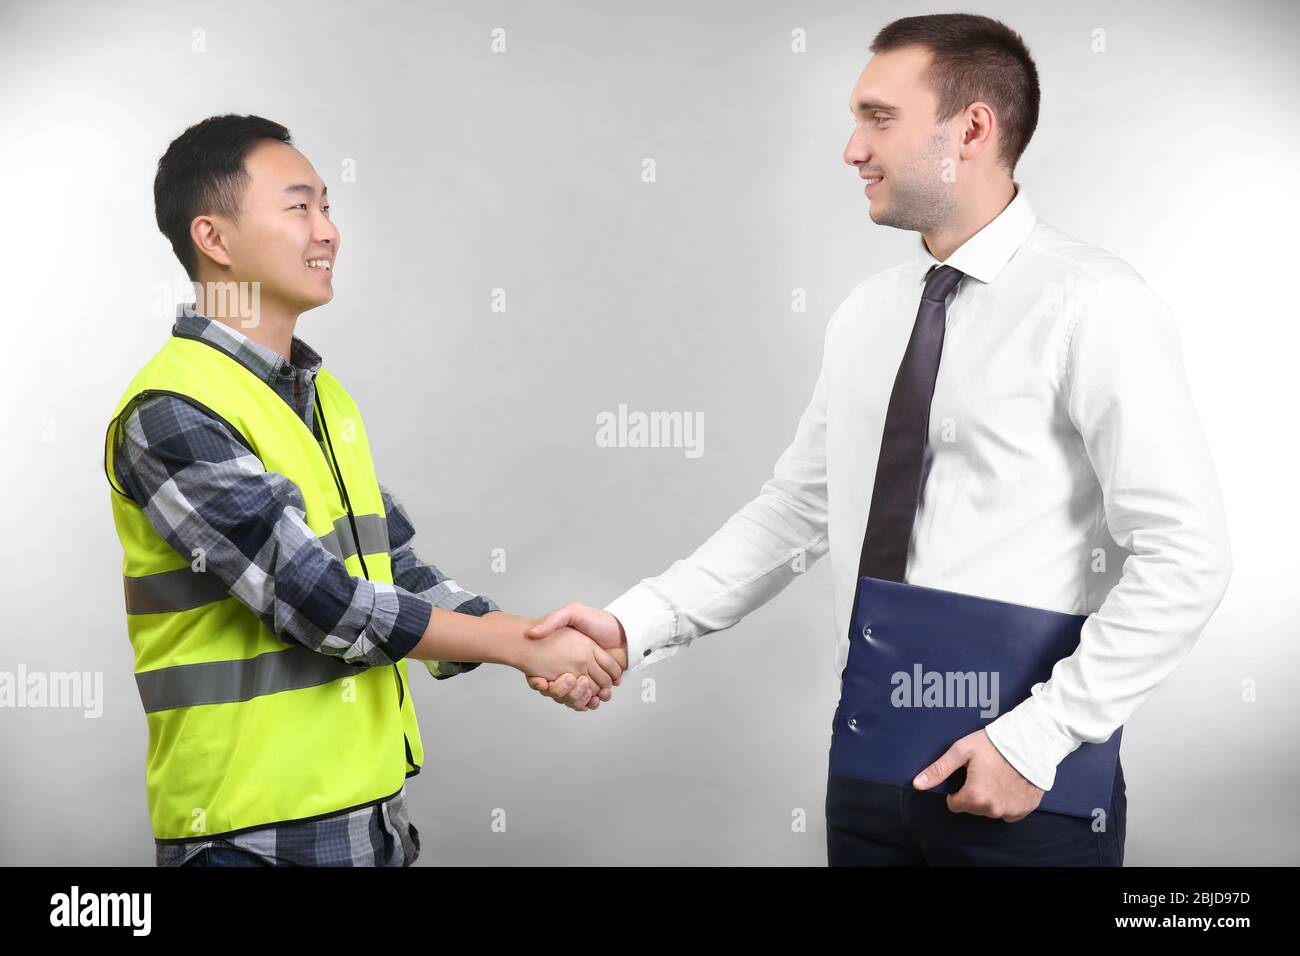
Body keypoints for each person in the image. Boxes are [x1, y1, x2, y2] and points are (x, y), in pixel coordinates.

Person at [526, 13, 1232, 866]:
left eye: (878, 118)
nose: (853, 150)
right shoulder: (869, 314)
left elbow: (1186, 554)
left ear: (972, 128)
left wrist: (1036, 739)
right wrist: (631, 625)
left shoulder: (1094, 303)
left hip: (1024, 789)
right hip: (869, 774)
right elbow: (797, 513)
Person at [103, 114, 627, 867]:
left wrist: (541, 638)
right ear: (214, 239)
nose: (327, 232)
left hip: (371, 819)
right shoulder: (174, 411)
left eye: (327, 206)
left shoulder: (322, 398)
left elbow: (392, 571)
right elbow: (318, 601)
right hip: (249, 838)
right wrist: (518, 648)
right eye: (298, 207)